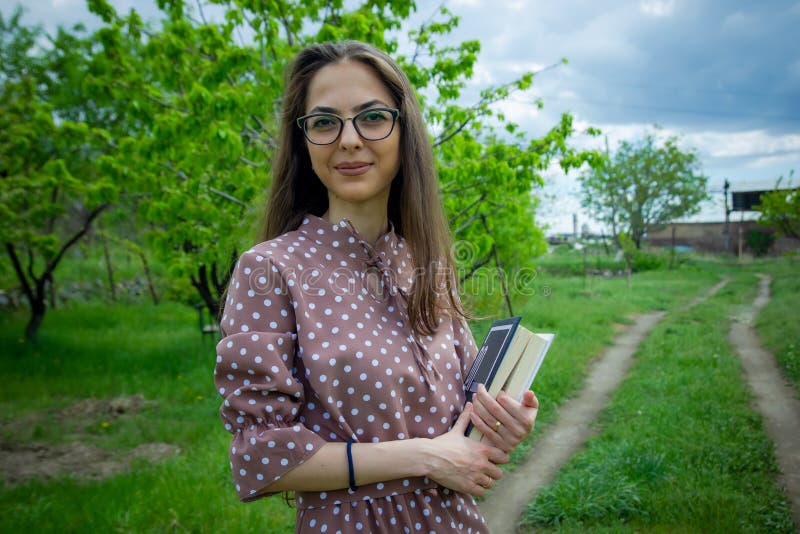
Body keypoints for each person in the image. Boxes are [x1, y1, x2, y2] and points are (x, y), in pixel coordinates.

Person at [214, 40, 539, 533]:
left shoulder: (427, 263)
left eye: (371, 117)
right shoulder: (270, 270)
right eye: (324, 122)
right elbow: (261, 457)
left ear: (404, 132)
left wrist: (504, 422)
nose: (348, 140)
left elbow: (465, 426)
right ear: (304, 141)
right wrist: (426, 457)